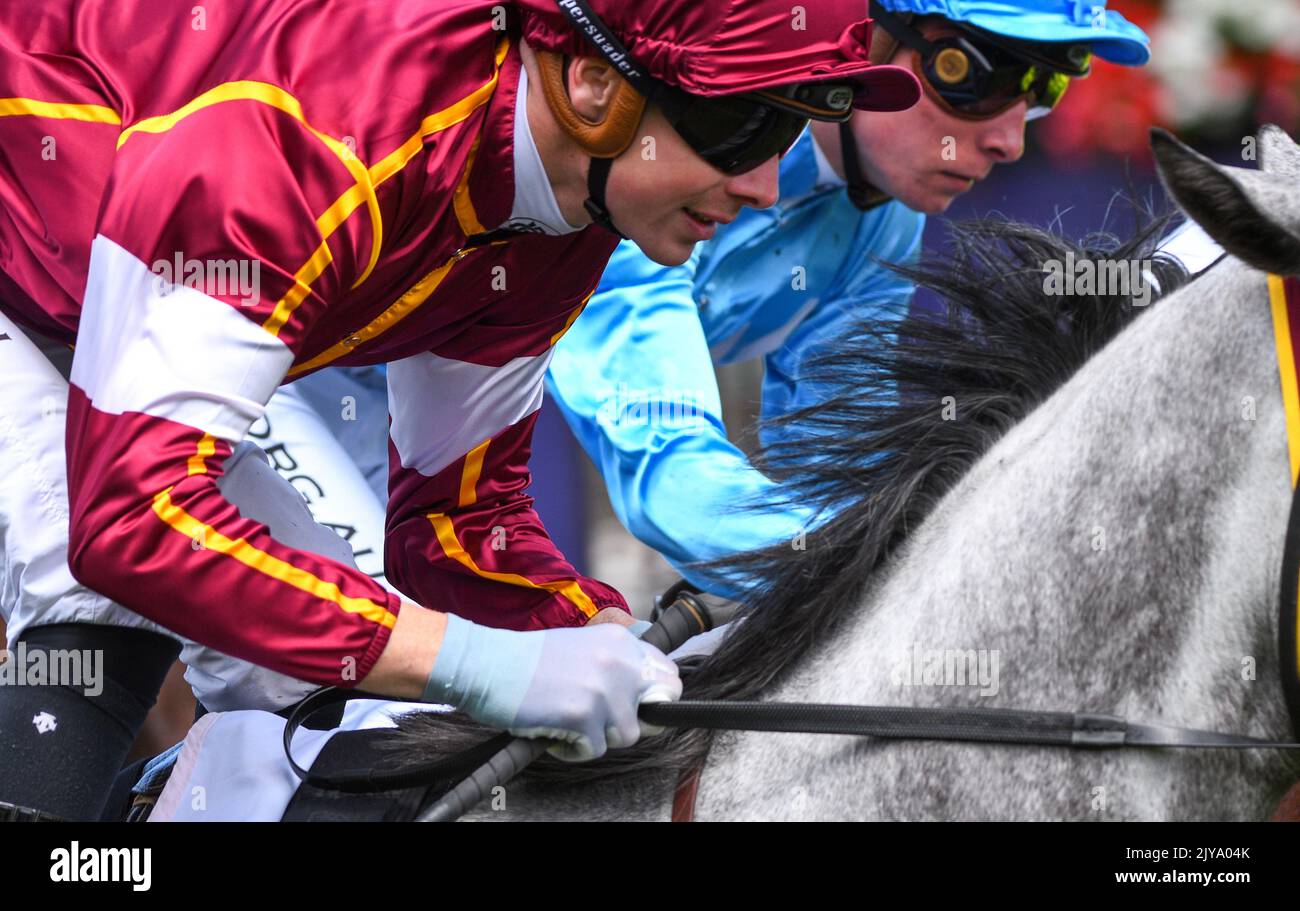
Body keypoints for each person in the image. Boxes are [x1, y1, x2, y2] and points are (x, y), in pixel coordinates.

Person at [0, 0, 920, 819]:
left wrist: (595, 633)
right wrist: (486, 666)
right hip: (30, 273)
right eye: (739, 125)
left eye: (788, 133)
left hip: (88, 298)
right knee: (109, 589)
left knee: (345, 699)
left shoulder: (563, 215)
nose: (763, 185)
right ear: (594, 84)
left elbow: (453, 522)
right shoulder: (324, 132)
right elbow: (133, 525)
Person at [546, 0, 1152, 597]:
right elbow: (672, 473)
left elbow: (833, 471)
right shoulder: (664, 147)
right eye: (979, 77)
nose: (1010, 141)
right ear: (868, 38)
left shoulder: (886, 218)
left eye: (1042, 86)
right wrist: (908, 578)